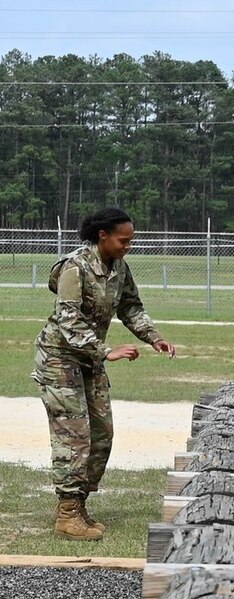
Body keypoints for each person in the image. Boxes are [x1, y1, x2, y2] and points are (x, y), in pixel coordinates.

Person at [33, 206, 176, 541]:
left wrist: (154, 337)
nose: (128, 246)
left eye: (130, 240)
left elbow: (131, 306)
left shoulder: (119, 267)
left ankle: (78, 505)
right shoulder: (75, 266)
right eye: (123, 240)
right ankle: (67, 514)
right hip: (59, 359)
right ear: (103, 236)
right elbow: (68, 319)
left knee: (102, 434)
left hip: (89, 360)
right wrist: (106, 351)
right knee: (74, 436)